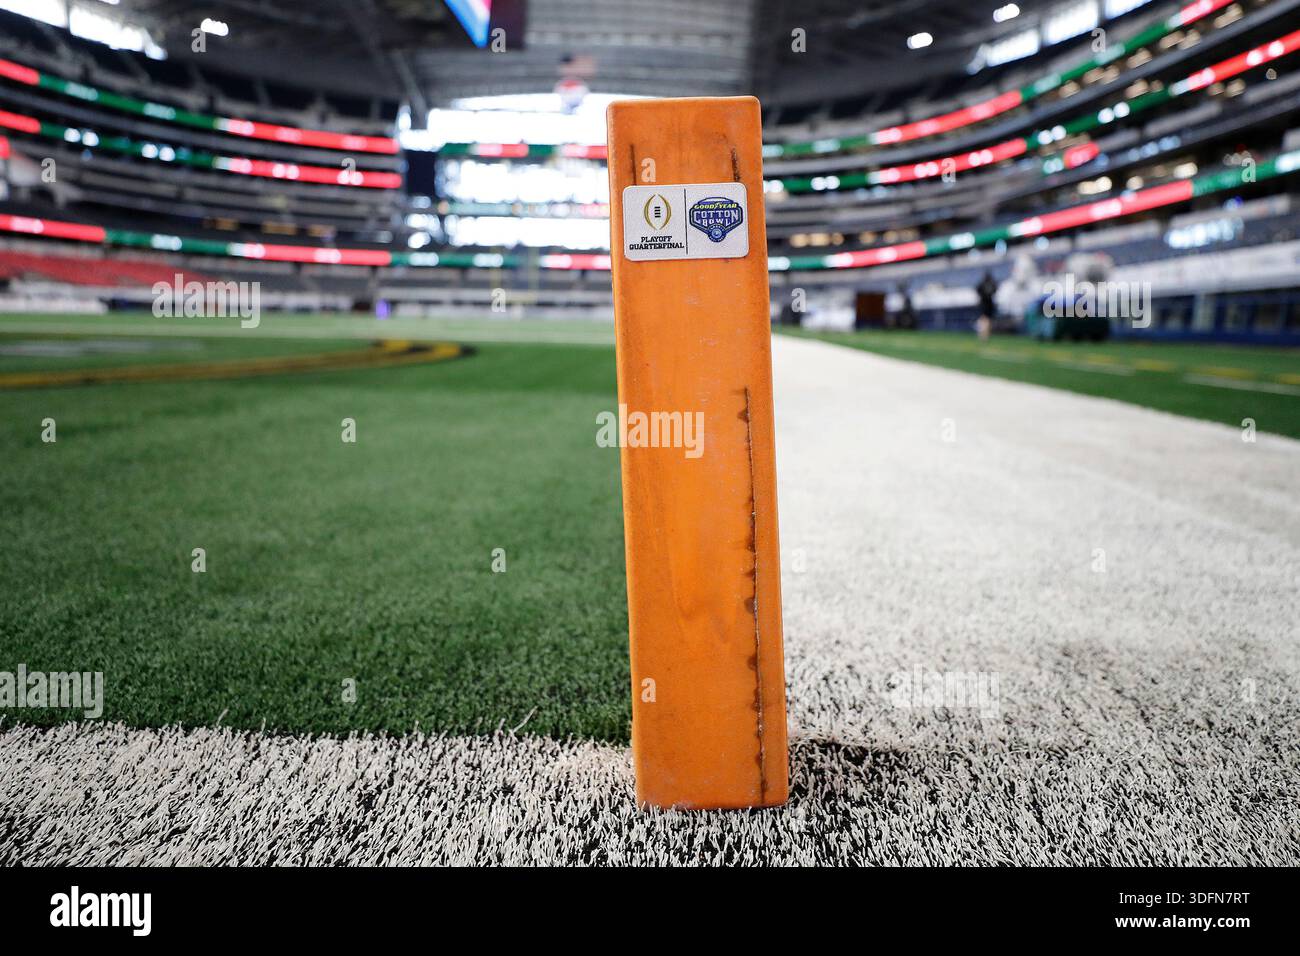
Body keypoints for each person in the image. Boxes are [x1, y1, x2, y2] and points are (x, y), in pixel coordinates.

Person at [975, 270, 997, 341]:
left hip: (984, 303)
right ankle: (985, 334)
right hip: (989, 303)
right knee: (987, 320)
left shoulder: (982, 284)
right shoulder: (992, 283)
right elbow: (995, 290)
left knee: (984, 319)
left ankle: (983, 334)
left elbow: (977, 290)